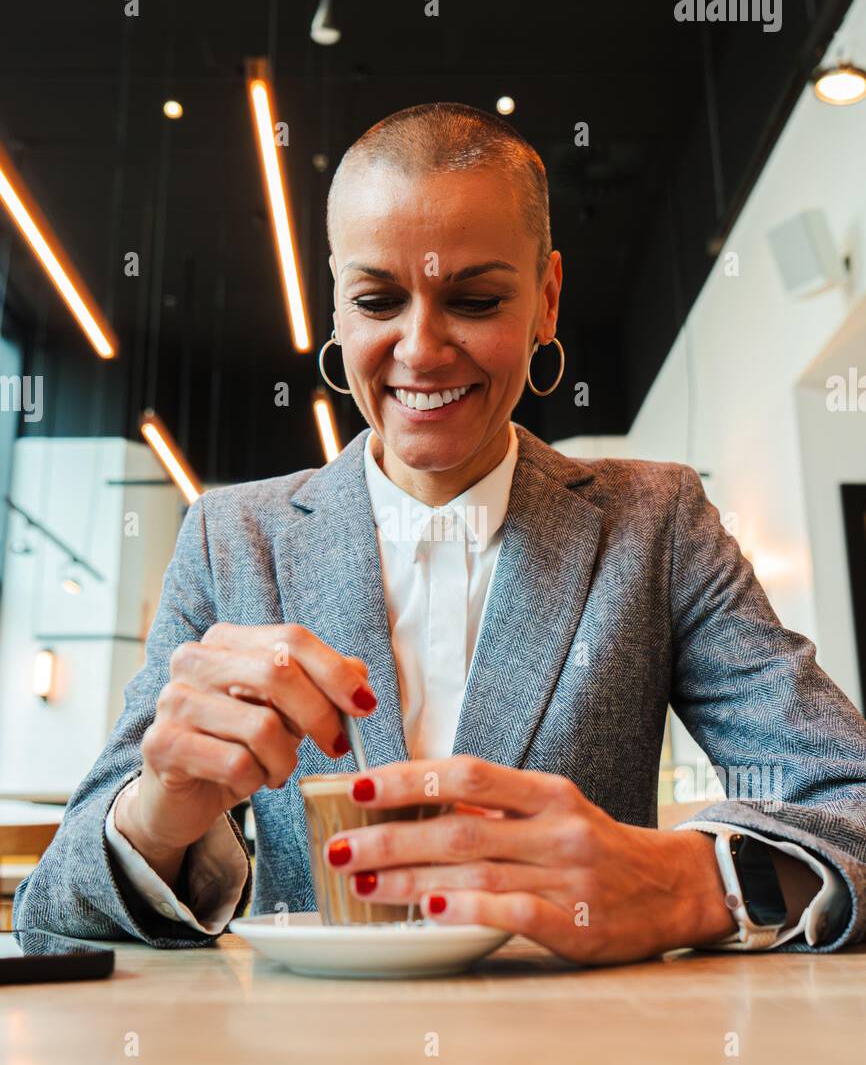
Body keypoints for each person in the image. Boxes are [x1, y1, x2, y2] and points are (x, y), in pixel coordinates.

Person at [15, 102, 866, 964]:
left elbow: (852, 799)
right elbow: (51, 911)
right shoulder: (232, 538)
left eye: (475, 298)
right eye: (378, 299)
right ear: (337, 309)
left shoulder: (658, 522)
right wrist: (162, 807)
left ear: (547, 301)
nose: (420, 350)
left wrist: (692, 883)